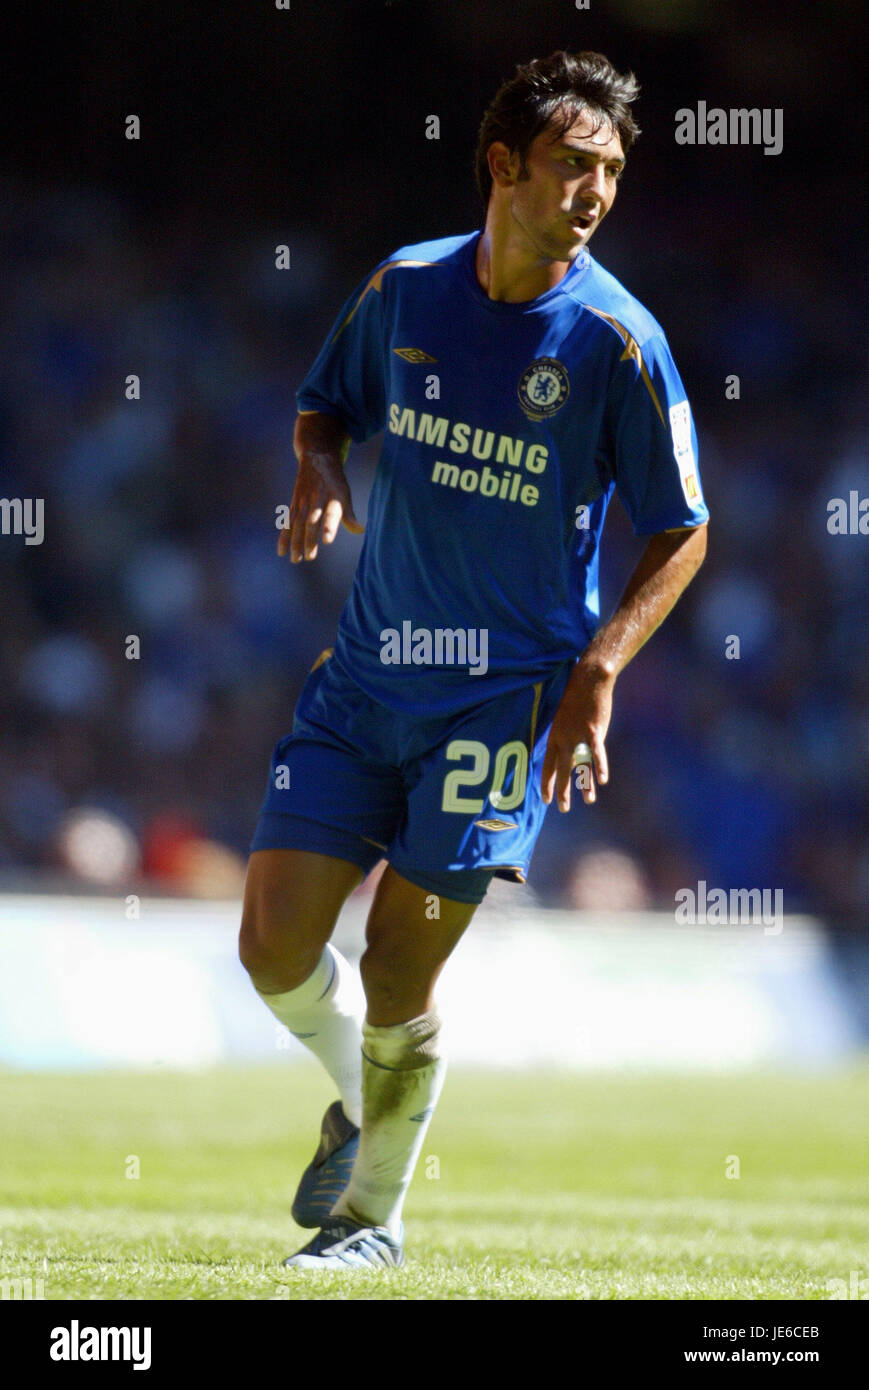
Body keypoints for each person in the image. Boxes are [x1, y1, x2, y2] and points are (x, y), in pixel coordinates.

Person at [238, 49, 709, 1271]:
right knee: (272, 948)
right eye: (571, 165)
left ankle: (372, 1220)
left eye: (610, 171)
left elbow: (682, 528)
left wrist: (598, 670)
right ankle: (363, 1100)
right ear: (503, 165)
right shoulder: (402, 289)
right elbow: (323, 403)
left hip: (500, 704)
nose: (593, 191)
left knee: (398, 961)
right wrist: (316, 463)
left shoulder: (618, 342)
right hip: (363, 680)